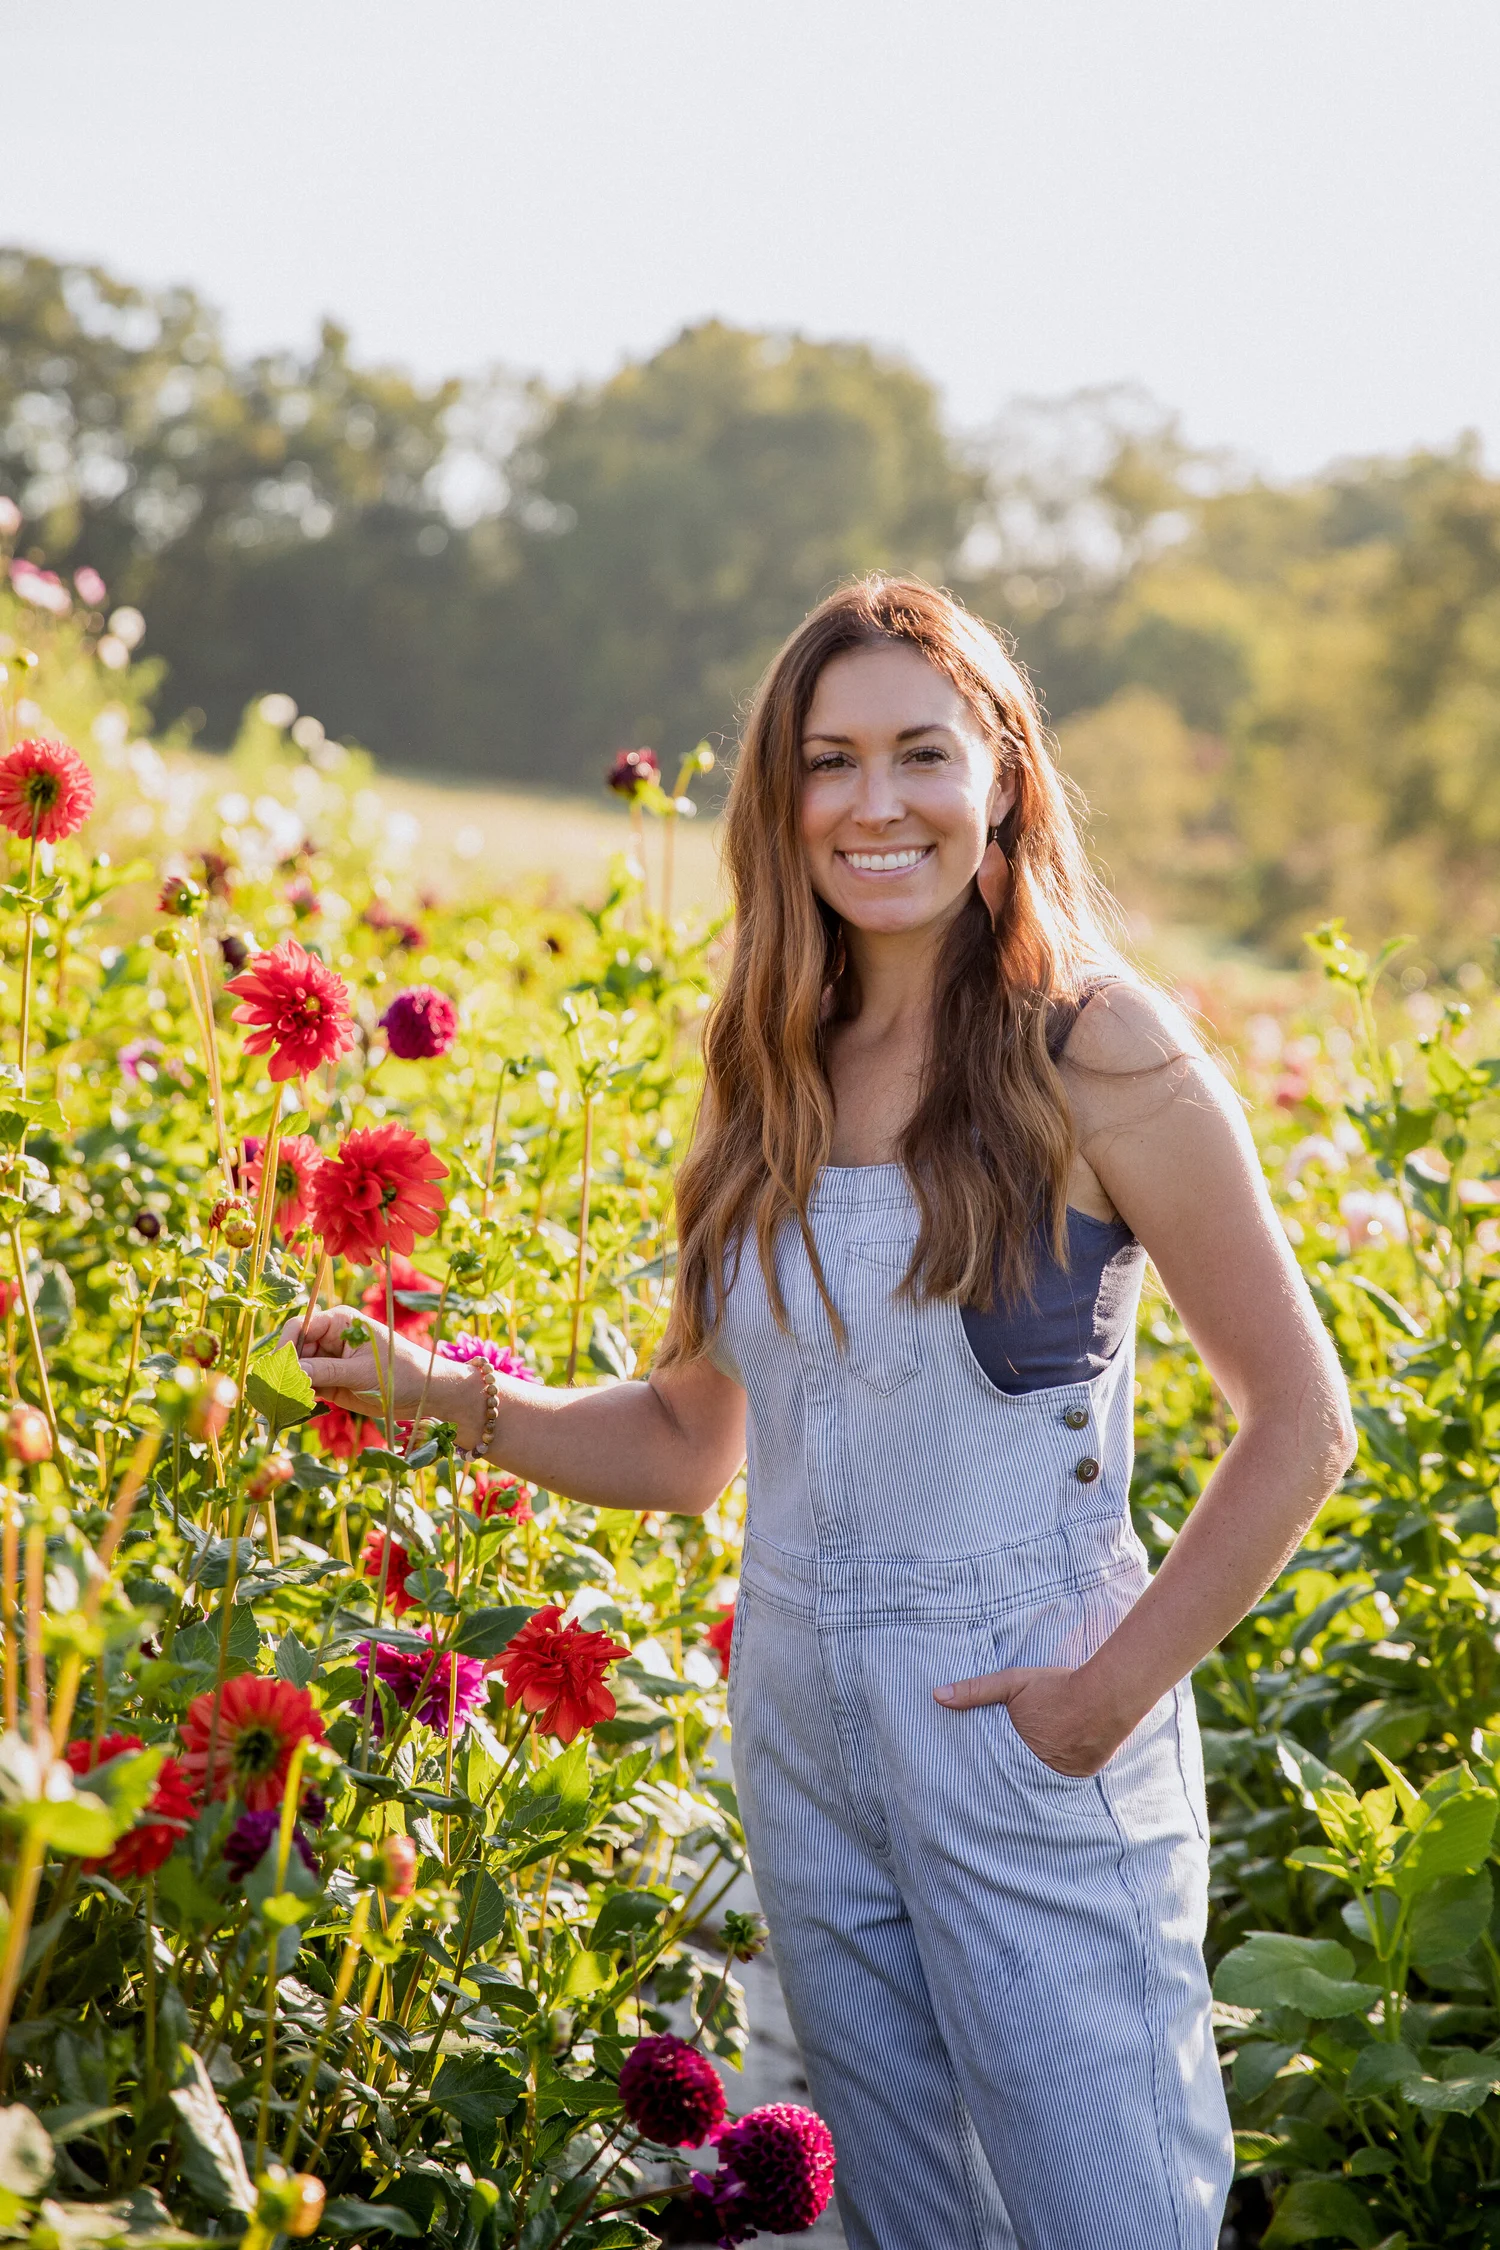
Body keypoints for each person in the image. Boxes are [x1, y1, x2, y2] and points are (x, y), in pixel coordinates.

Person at [290, 577, 1355, 2250]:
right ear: (780, 800)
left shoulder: (1098, 1046)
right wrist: (444, 1396)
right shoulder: (765, 1062)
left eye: (919, 754)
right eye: (830, 759)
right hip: (801, 1722)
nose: (877, 804)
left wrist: (1101, 1698)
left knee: (1112, 2215)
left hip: (1023, 1714)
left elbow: (1300, 1419)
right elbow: (686, 1439)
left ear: (1000, 774)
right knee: (909, 2226)